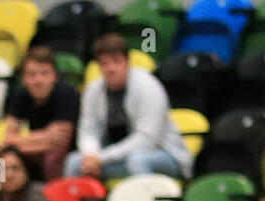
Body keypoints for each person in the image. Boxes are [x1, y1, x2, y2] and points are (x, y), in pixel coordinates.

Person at [64, 34, 192, 181]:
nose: (110, 68)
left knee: (138, 160)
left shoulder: (148, 87)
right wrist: (90, 156)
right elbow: (88, 130)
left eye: (116, 62)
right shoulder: (93, 90)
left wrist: (102, 157)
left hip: (163, 155)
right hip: (115, 157)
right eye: (104, 63)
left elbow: (146, 140)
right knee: (74, 162)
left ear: (127, 62)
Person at [2, 47, 80, 182]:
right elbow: (8, 138)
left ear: (54, 76)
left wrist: (19, 142)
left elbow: (60, 142)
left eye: (44, 73)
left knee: (53, 157)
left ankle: (53, 199)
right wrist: (44, 136)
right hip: (34, 151)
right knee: (1, 158)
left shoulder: (67, 93)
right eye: (32, 74)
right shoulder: (21, 95)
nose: (38, 80)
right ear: (24, 78)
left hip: (68, 154)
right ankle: (0, 198)